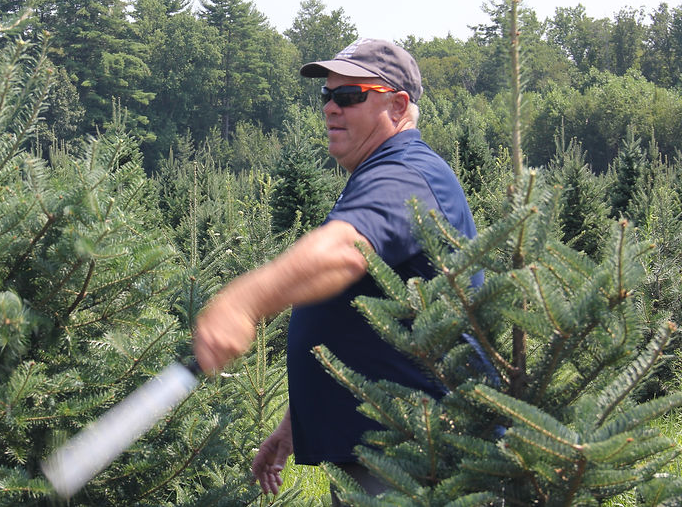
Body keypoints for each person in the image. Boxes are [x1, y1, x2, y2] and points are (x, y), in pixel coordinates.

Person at [193, 38, 479, 503]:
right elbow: (359, 321)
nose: (330, 107)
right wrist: (296, 421)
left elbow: (346, 252)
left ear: (398, 105)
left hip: (413, 455)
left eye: (349, 96)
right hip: (378, 448)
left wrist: (242, 302)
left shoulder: (406, 174)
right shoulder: (377, 174)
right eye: (326, 95)